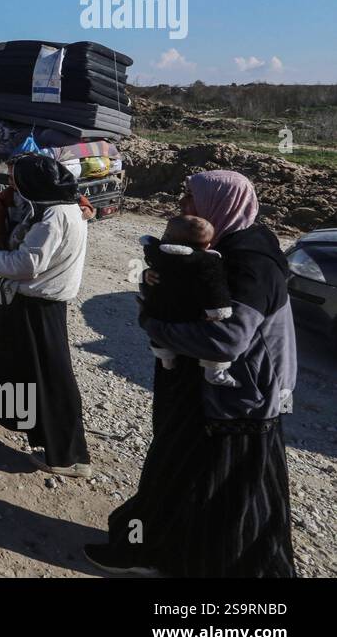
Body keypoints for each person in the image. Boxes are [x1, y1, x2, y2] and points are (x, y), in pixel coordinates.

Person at [87, 171, 296, 577]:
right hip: (219, 391)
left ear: (221, 204)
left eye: (191, 197)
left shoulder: (250, 263)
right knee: (203, 485)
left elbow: (227, 341)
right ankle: (159, 553)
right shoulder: (232, 243)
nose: (183, 204)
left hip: (237, 399)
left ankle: (150, 554)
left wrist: (154, 323)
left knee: (213, 491)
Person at [0, 154, 92, 476]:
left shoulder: (53, 216)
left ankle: (67, 457)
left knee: (50, 379)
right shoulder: (62, 207)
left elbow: (28, 265)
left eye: (18, 181)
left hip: (36, 307)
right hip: (26, 304)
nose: (13, 186)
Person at [140, 214, 236, 386]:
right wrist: (218, 310)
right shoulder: (207, 261)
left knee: (162, 345)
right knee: (211, 348)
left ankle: (166, 358)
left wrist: (145, 276)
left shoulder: (158, 252)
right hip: (189, 316)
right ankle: (214, 371)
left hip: (159, 313)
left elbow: (151, 271)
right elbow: (214, 288)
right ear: (207, 245)